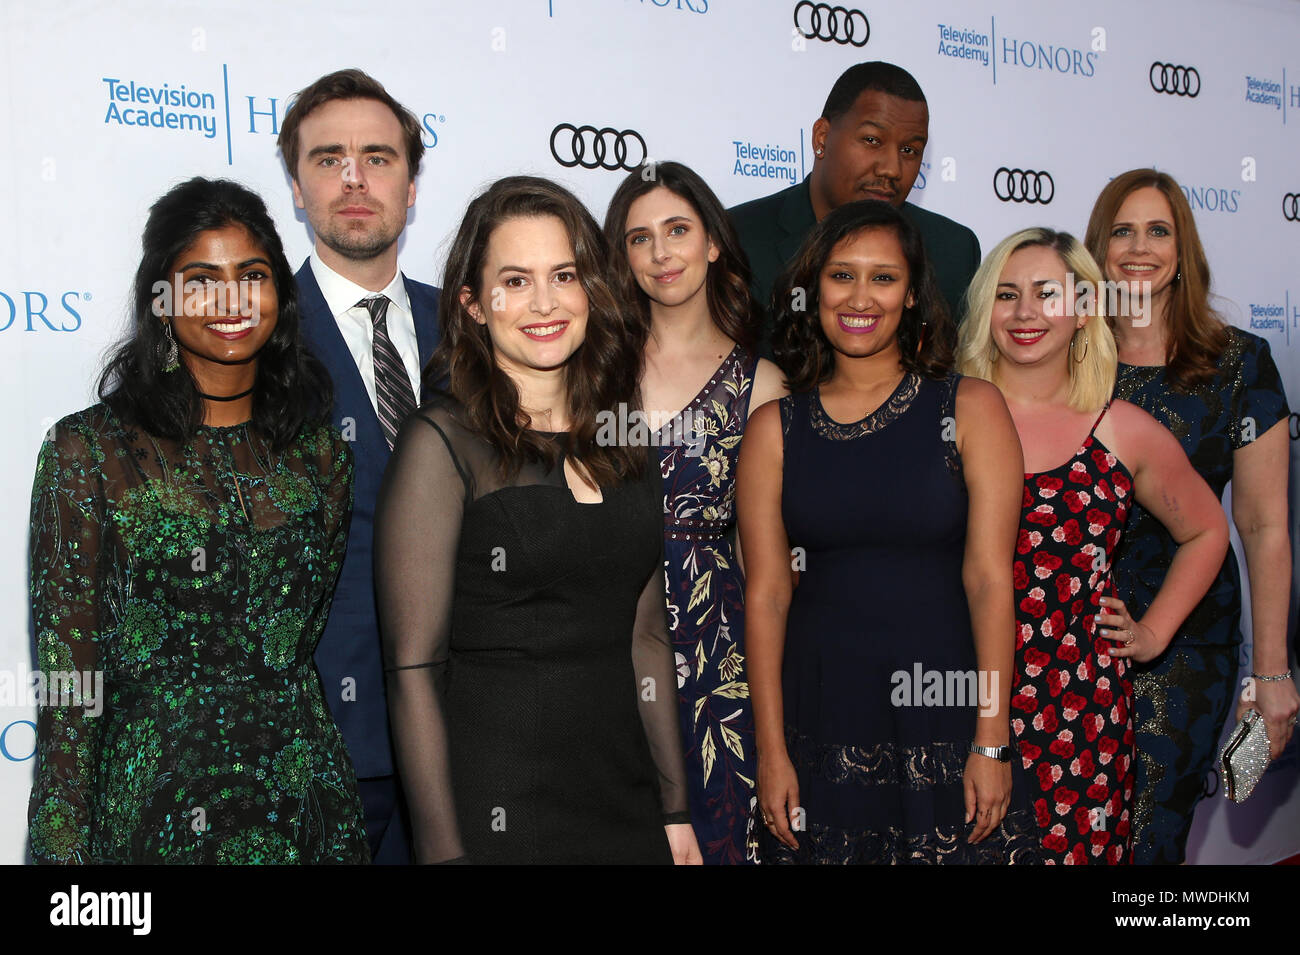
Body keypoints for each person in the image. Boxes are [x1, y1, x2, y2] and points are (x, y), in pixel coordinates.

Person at [26, 177, 367, 864]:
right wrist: (60, 859)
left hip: (306, 805)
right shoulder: (88, 452)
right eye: (201, 279)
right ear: (161, 298)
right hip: (151, 810)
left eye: (253, 275)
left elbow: (301, 641)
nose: (233, 300)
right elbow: (71, 688)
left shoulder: (320, 455)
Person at [375, 176, 701, 864]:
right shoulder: (443, 444)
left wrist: (674, 810)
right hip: (498, 803)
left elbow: (646, 636)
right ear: (473, 304)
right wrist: (442, 853)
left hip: (623, 796)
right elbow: (412, 669)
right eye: (515, 281)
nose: (545, 303)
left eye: (565, 275)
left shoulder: (624, 437)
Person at [738, 199, 1038, 864]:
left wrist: (992, 739)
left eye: (884, 277)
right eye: (842, 275)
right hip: (822, 717)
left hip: (945, 711)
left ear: (912, 295)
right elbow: (766, 595)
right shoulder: (774, 430)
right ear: (814, 290)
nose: (861, 297)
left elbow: (990, 579)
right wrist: (771, 750)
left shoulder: (967, 407)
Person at [957, 228, 1229, 864]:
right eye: (1006, 294)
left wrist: (1154, 632)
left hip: (1077, 708)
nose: (1025, 313)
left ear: (1084, 309)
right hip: (952, 689)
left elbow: (1208, 529)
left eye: (1047, 294)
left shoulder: (1122, 429)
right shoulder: (940, 415)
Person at [1085, 169, 1297, 864]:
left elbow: (1264, 528)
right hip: (1073, 637)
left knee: (1146, 837)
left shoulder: (1238, 364)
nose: (1138, 247)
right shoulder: (1068, 361)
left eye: (1158, 230)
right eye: (1122, 230)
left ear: (1184, 251)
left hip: (1186, 649)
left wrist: (1270, 673)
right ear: (1099, 247)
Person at [277, 68, 440, 864]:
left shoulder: (482, 327)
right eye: (328, 158)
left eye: (378, 158)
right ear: (298, 190)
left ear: (411, 187)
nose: (353, 178)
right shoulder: (257, 339)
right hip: (321, 745)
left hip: (476, 740)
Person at [603, 161, 786, 864]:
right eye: (638, 238)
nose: (660, 253)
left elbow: (764, 559)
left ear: (713, 243)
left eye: (677, 230)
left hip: (718, 651)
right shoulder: (593, 366)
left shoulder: (760, 382)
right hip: (606, 632)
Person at [729, 61, 980, 356]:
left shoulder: (951, 250)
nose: (892, 169)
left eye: (909, 150)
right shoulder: (739, 240)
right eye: (872, 140)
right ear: (821, 137)